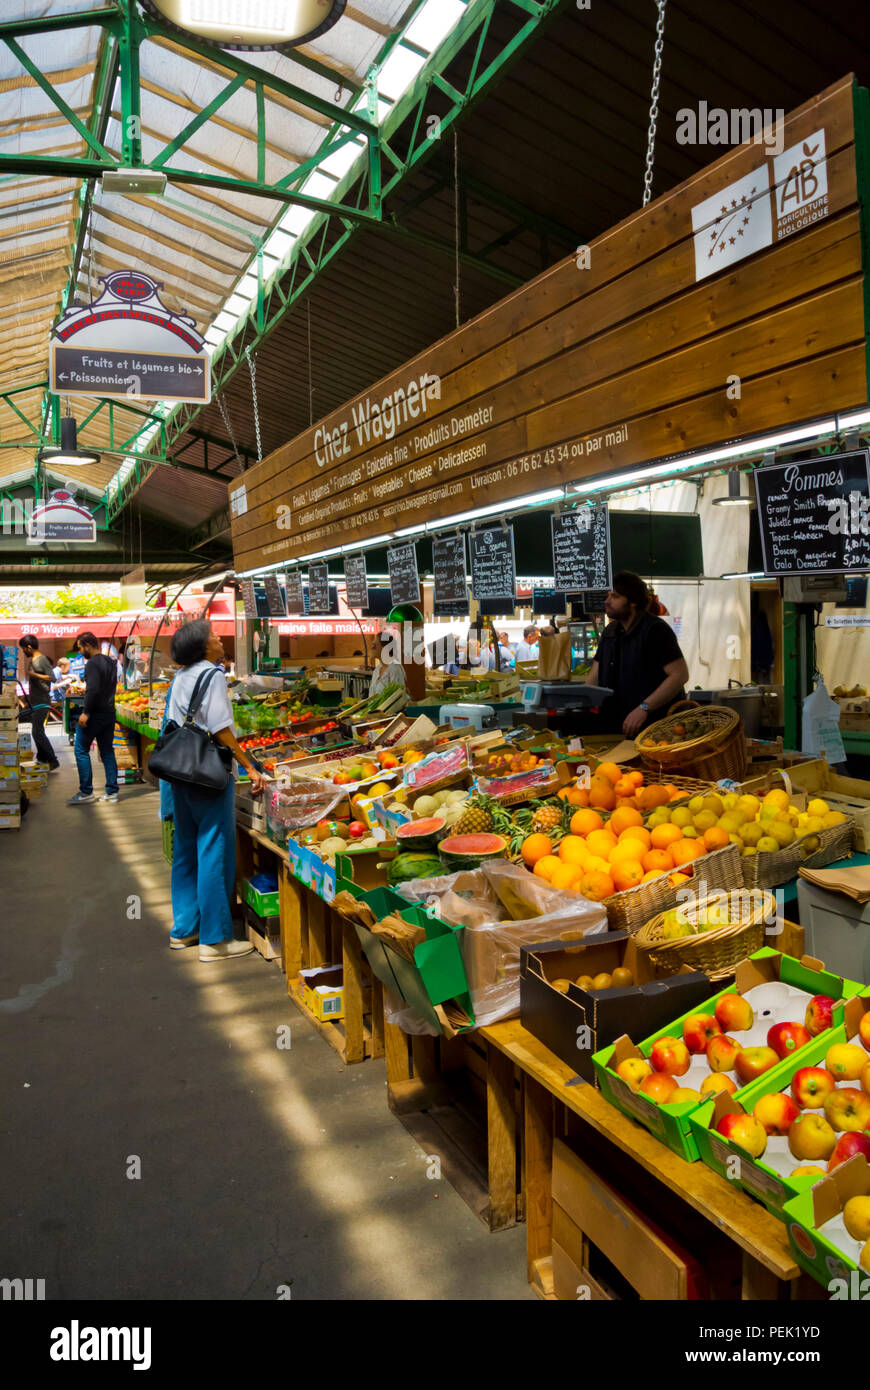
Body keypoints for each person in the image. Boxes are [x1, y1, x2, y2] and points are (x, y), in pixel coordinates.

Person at [160, 620, 267, 960]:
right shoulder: (213, 675)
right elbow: (220, 727)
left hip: (181, 773)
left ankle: (185, 930)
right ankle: (215, 939)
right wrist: (249, 766)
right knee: (213, 850)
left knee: (187, 850)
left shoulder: (180, 677)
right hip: (209, 775)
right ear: (203, 646)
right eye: (215, 636)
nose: (221, 640)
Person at [586, 572, 689, 736]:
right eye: (607, 596)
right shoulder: (610, 632)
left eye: (615, 596)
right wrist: (582, 701)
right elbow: (594, 676)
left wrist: (644, 708)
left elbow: (679, 675)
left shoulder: (655, 630)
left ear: (632, 601)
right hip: (617, 726)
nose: (607, 601)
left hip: (656, 730)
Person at [68, 631, 119, 805]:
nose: (80, 651)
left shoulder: (91, 664)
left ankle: (86, 792)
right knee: (107, 751)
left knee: (81, 749)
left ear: (88, 645)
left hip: (95, 714)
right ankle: (112, 792)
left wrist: (86, 712)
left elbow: (93, 689)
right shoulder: (110, 662)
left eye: (81, 647)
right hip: (109, 713)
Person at [18, 635, 60, 772]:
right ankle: (42, 758)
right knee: (37, 731)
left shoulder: (41, 660)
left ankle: (52, 760)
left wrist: (34, 675)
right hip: (35, 702)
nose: (23, 651)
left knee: (37, 732)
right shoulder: (33, 660)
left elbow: (52, 678)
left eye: (23, 648)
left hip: (42, 701)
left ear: (29, 647)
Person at [369, 630, 408, 698]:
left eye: (374, 646)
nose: (371, 648)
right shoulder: (377, 670)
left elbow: (397, 697)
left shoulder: (395, 669)